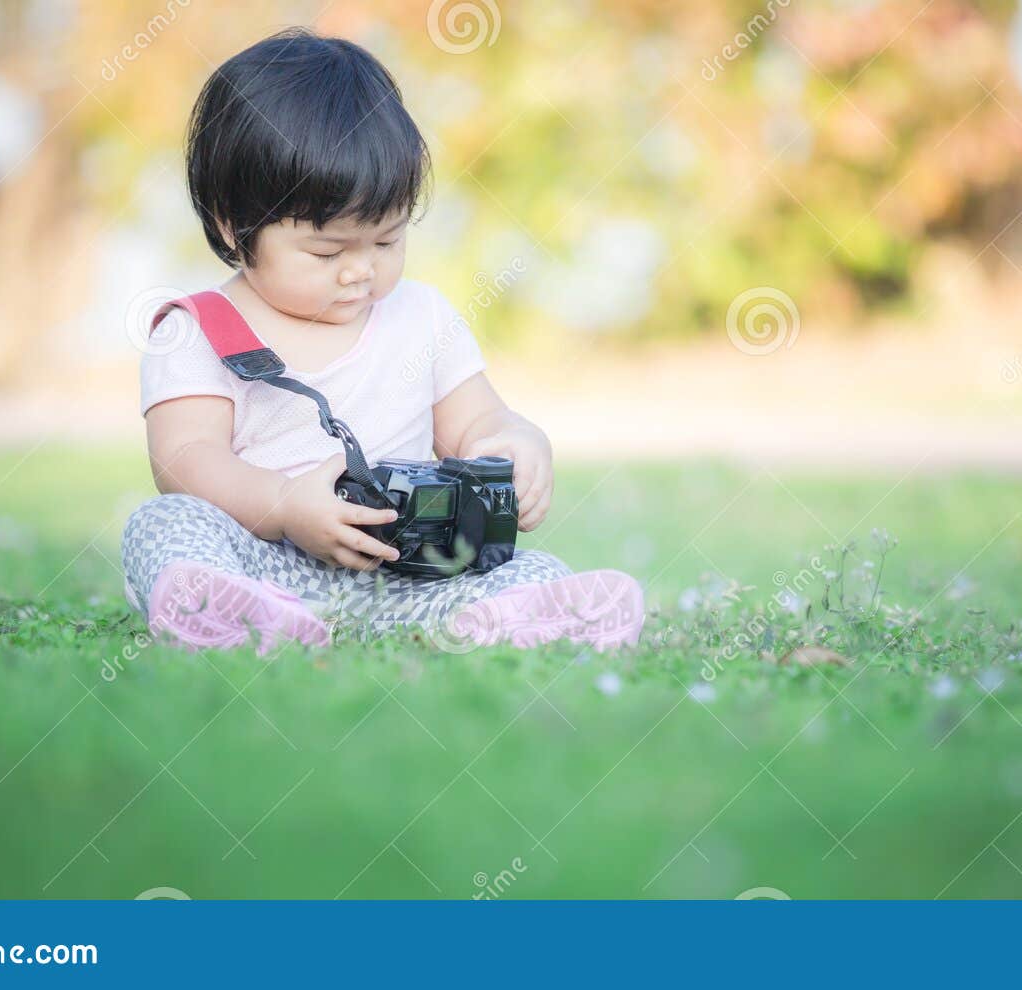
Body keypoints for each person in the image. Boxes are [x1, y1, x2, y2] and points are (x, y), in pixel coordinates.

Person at [120, 28, 643, 654]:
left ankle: (495, 619)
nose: (360, 270)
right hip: (265, 562)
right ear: (235, 228)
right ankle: (241, 616)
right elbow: (184, 461)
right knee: (165, 522)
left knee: (530, 570)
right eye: (327, 251)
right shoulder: (199, 330)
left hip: (408, 573)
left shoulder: (420, 317)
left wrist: (516, 446)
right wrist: (284, 505)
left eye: (387, 241)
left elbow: (480, 422)